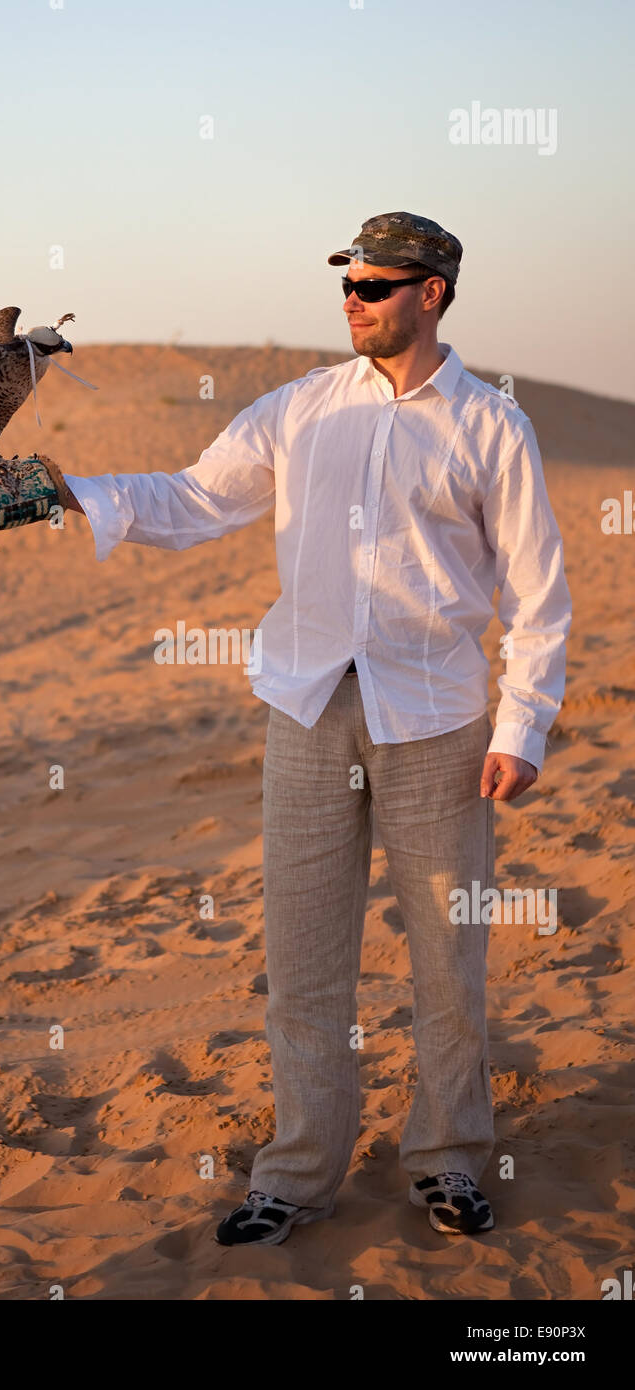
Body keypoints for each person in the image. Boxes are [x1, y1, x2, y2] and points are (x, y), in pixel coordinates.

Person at [57, 212, 572, 1245]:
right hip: (305, 708)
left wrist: (525, 725)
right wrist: (60, 491)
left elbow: (537, 591)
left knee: (446, 955)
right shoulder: (299, 409)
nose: (354, 298)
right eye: (347, 281)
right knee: (302, 960)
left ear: (432, 293)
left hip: (437, 717)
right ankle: (295, 1174)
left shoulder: (489, 425)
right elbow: (197, 497)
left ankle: (449, 1157)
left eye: (377, 285)